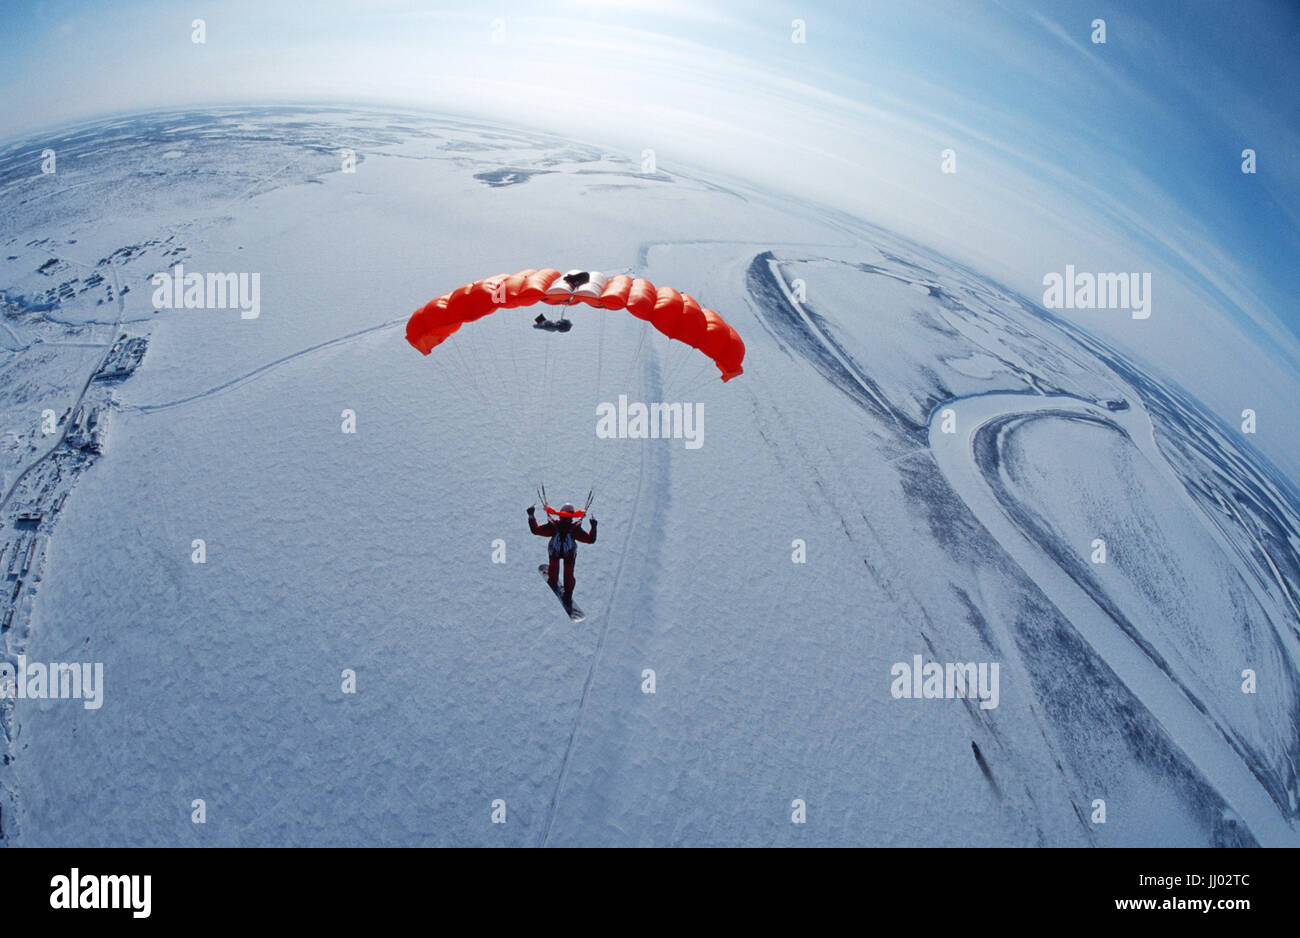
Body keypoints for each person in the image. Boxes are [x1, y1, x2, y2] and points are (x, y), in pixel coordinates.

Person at [528, 501, 596, 604]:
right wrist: (594, 527)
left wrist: (531, 516)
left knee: (554, 567)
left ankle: (553, 580)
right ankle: (567, 595)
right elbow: (590, 539)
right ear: (572, 516)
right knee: (568, 573)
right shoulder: (575, 529)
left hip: (554, 551)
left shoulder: (553, 526)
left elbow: (535, 530)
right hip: (569, 554)